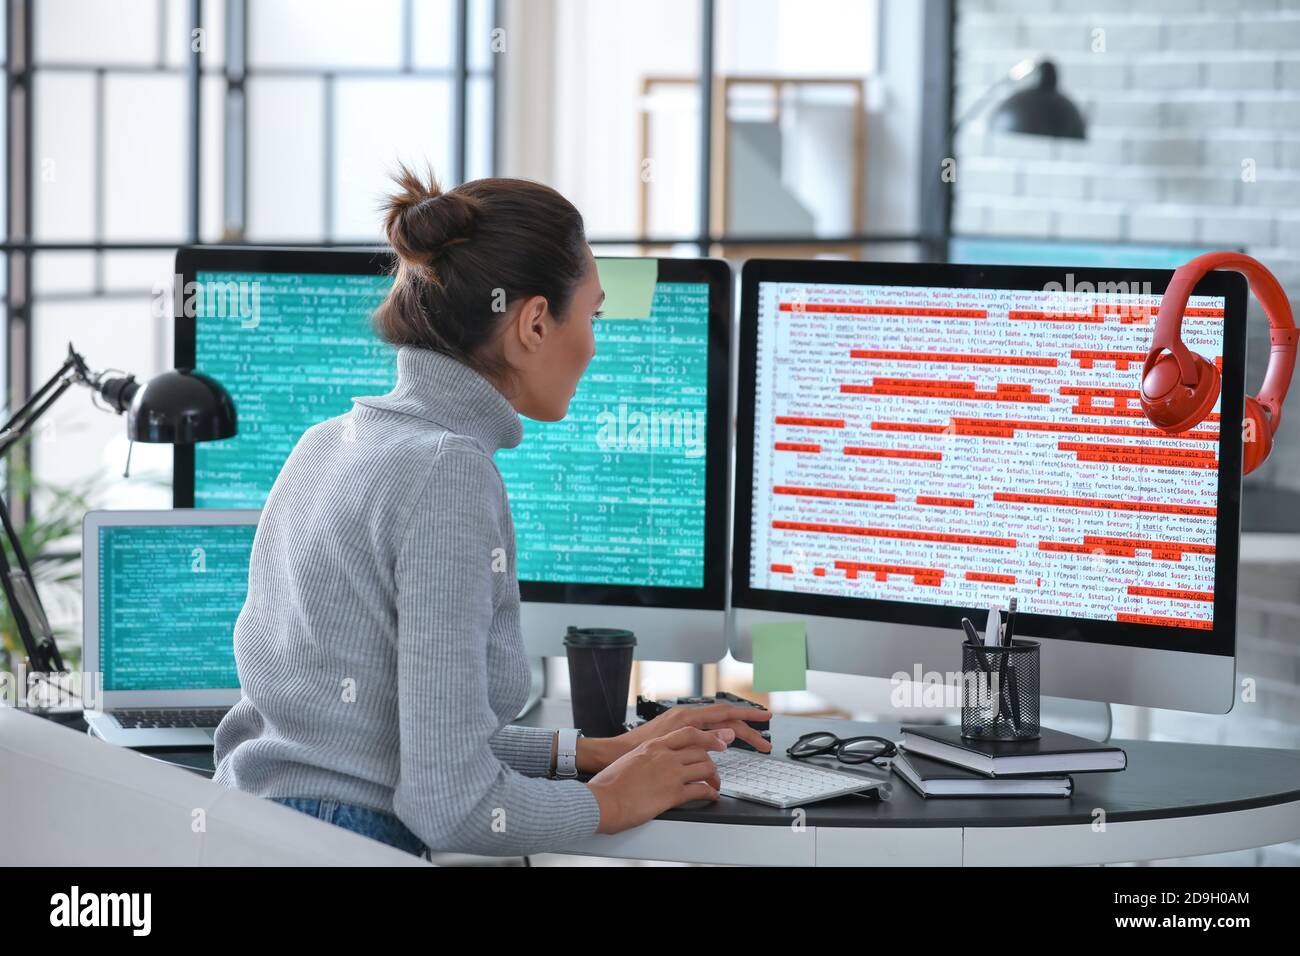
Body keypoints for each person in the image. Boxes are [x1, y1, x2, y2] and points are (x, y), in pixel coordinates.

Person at [213, 166, 771, 857]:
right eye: (591, 316)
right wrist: (611, 801)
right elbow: (452, 805)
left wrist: (590, 753)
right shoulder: (447, 472)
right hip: (352, 845)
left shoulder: (326, 444)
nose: (594, 346)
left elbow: (400, 734)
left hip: (266, 835)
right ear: (534, 322)